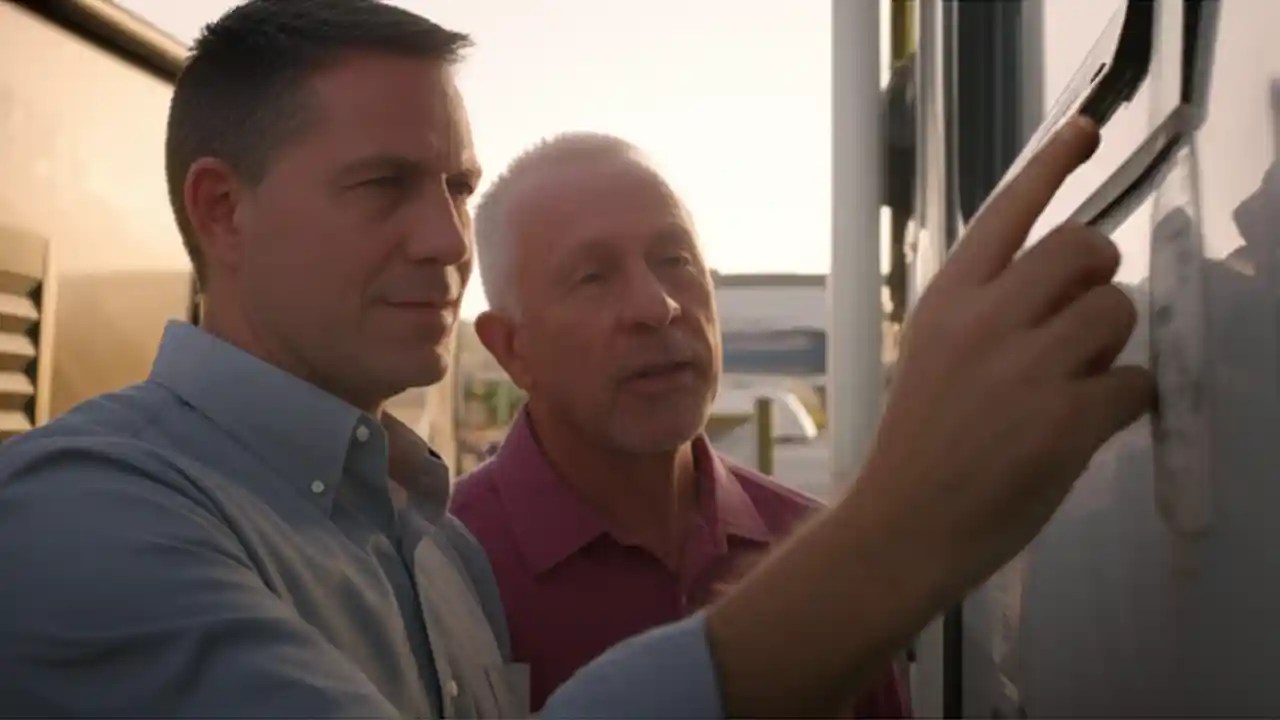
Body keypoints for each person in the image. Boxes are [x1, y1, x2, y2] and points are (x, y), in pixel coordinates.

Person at [0, 0, 1153, 717]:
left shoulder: (427, 551)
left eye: (455, 186)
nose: (450, 240)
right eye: (383, 186)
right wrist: (904, 530)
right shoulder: (72, 513)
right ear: (223, 211)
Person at [450, 132, 909, 714]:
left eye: (676, 261)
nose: (657, 306)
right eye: (593, 277)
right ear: (512, 349)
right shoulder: (438, 579)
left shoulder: (812, 557)